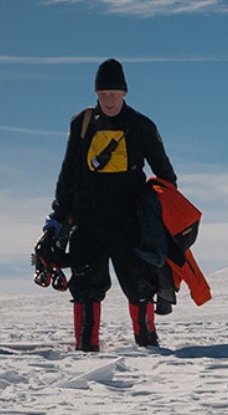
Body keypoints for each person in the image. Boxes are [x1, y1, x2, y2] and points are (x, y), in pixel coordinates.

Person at [43, 59, 176, 352]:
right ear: (96, 94)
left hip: (128, 219)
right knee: (85, 285)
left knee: (139, 284)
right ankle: (86, 347)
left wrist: (156, 215)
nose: (109, 100)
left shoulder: (142, 126)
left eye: (115, 94)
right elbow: (68, 172)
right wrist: (58, 216)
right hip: (86, 219)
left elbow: (166, 177)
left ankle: (148, 343)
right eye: (104, 94)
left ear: (125, 93)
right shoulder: (82, 124)